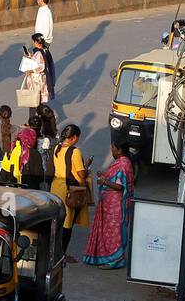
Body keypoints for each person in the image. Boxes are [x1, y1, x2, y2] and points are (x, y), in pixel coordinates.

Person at [83, 138, 136, 269]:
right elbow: (116, 178)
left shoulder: (123, 164)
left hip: (116, 206)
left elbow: (119, 186)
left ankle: (115, 260)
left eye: (113, 148)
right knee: (109, 232)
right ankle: (106, 256)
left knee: (115, 232)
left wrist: (104, 182)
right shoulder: (121, 162)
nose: (111, 151)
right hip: (110, 204)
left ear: (119, 150)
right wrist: (105, 176)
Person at [51, 123, 92, 260]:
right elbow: (81, 174)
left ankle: (53, 251)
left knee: (56, 222)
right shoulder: (75, 151)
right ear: (73, 138)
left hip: (56, 187)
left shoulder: (57, 147)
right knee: (67, 224)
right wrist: (86, 170)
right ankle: (61, 254)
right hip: (69, 191)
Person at [17, 113, 48, 190]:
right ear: (41, 126)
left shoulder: (24, 141)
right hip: (40, 170)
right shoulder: (45, 140)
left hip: (25, 171)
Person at [35, 0, 56, 98]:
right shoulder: (45, 10)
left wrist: (41, 40)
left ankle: (43, 81)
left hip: (42, 40)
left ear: (41, 0)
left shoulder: (44, 11)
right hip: (42, 39)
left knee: (41, 60)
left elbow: (47, 26)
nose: (37, 1)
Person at [21, 35, 49, 106]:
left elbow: (41, 66)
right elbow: (37, 62)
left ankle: (34, 116)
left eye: (32, 41)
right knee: (37, 101)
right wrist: (30, 56)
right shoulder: (43, 51)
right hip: (39, 79)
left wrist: (30, 71)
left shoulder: (39, 53)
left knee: (34, 101)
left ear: (36, 42)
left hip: (37, 80)